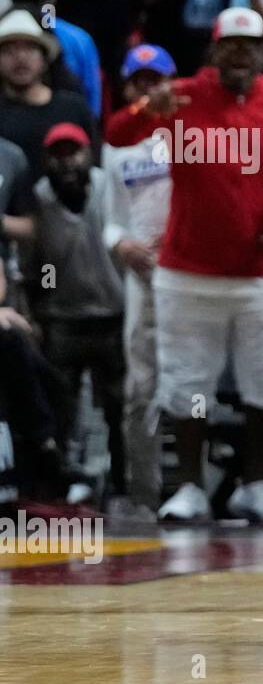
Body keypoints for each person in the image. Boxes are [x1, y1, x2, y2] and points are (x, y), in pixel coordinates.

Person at [108, 7, 263, 524]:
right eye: (231, 45)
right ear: (215, 49)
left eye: (251, 45)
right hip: (186, 269)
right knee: (186, 382)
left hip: (262, 272)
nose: (241, 54)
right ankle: (191, 487)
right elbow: (113, 136)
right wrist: (142, 110)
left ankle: (255, 485)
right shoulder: (178, 95)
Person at [25, 122, 126, 506]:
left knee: (118, 404)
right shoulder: (39, 198)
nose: (67, 162)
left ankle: (121, 482)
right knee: (60, 405)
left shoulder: (107, 188)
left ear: (88, 153)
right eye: (58, 154)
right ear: (47, 159)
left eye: (74, 152)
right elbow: (37, 265)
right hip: (63, 319)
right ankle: (61, 483)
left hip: (113, 314)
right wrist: (40, 306)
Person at [101, 45, 177, 520]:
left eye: (157, 80)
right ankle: (145, 494)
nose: (147, 90)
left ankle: (191, 491)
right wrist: (118, 244)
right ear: (127, 88)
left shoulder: (191, 134)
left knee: (192, 379)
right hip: (141, 275)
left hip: (187, 270)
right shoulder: (116, 144)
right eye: (139, 82)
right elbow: (109, 218)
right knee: (140, 385)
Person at [0, 8, 96, 180]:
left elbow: (96, 166)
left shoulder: (74, 107)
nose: (20, 58)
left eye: (29, 48)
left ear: (45, 60)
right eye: (9, 50)